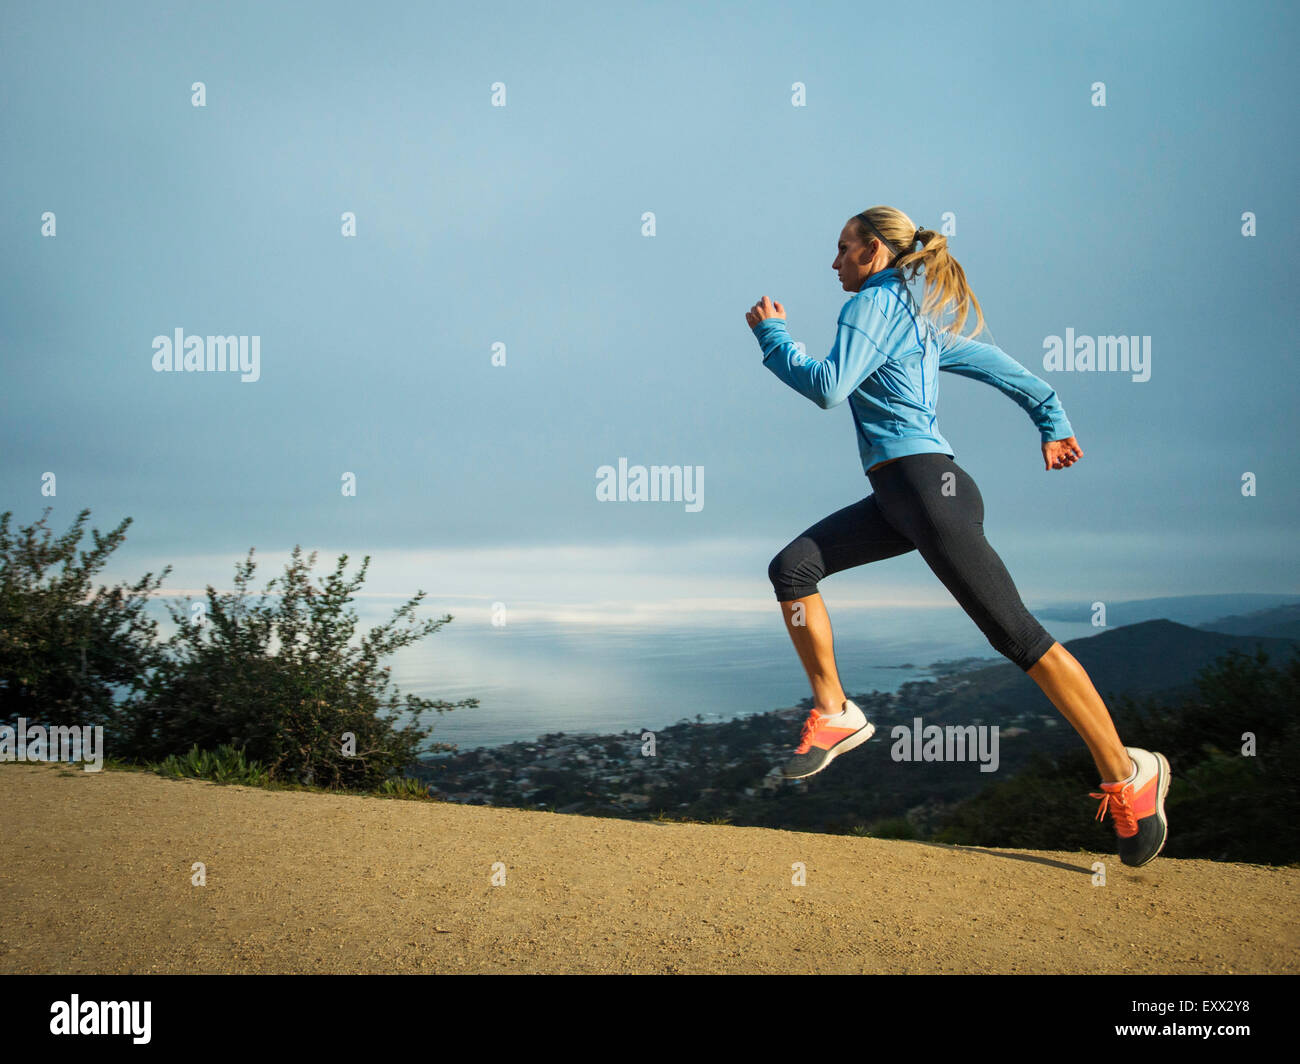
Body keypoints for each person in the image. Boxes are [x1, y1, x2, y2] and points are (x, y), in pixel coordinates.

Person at [744, 206, 1169, 867]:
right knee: (792, 569)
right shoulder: (913, 320)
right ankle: (835, 711)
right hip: (901, 498)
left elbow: (829, 388)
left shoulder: (873, 307)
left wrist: (775, 339)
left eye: (842, 249)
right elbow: (1001, 366)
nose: (833, 263)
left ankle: (1128, 774)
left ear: (876, 253)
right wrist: (1051, 419)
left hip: (929, 495)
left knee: (1019, 637)